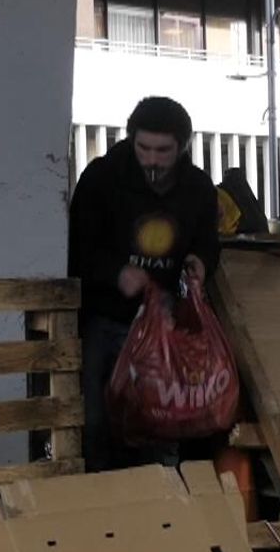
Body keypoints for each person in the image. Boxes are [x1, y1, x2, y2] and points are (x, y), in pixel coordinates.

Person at [68, 96, 222, 471]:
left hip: (164, 324)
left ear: (183, 146)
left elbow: (207, 242)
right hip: (103, 319)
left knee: (161, 422)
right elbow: (76, 247)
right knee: (96, 422)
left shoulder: (199, 188)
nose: (152, 160)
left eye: (163, 151)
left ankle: (162, 505)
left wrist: (200, 261)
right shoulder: (102, 178)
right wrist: (116, 273)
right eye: (144, 148)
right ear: (131, 140)